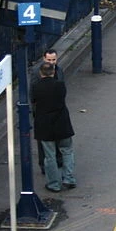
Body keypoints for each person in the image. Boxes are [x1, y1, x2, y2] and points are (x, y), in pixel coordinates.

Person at [31, 62, 76, 193]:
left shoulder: (36, 87)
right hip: (62, 123)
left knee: (49, 156)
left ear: (40, 73)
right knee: (67, 151)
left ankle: (54, 184)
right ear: (53, 72)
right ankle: (69, 179)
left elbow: (33, 101)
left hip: (45, 125)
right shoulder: (60, 85)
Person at [30, 49, 64, 174]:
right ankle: (44, 165)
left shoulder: (59, 70)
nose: (51, 62)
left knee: (58, 137)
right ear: (44, 59)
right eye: (49, 60)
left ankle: (58, 160)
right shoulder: (36, 72)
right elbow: (33, 93)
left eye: (53, 60)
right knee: (43, 141)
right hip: (42, 112)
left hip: (56, 110)